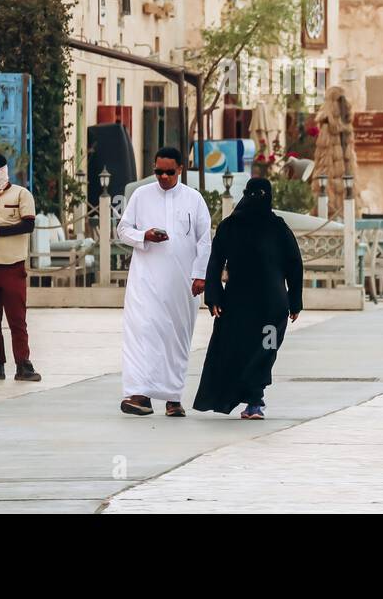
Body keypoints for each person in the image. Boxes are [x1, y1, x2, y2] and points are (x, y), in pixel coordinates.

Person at [194, 178, 303, 420]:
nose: (257, 199)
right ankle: (249, 398)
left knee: (266, 349)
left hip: (271, 307)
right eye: (253, 194)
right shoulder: (231, 226)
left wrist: (295, 302)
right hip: (238, 305)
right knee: (236, 350)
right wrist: (214, 297)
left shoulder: (278, 228)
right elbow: (215, 263)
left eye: (261, 194)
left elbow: (294, 265)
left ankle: (255, 398)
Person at [117, 147, 212, 417]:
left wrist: (201, 274)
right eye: (158, 172)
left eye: (169, 172)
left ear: (180, 169)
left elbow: (204, 239)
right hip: (145, 280)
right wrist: (144, 235)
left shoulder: (194, 199)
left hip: (183, 283)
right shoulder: (141, 195)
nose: (163, 177)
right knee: (142, 333)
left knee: (176, 339)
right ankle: (138, 394)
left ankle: (173, 398)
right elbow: (123, 230)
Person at [0, 153, 40, 382]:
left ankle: (23, 363)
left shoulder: (22, 194)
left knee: (16, 318)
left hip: (12, 265)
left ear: (2, 170)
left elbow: (28, 224)